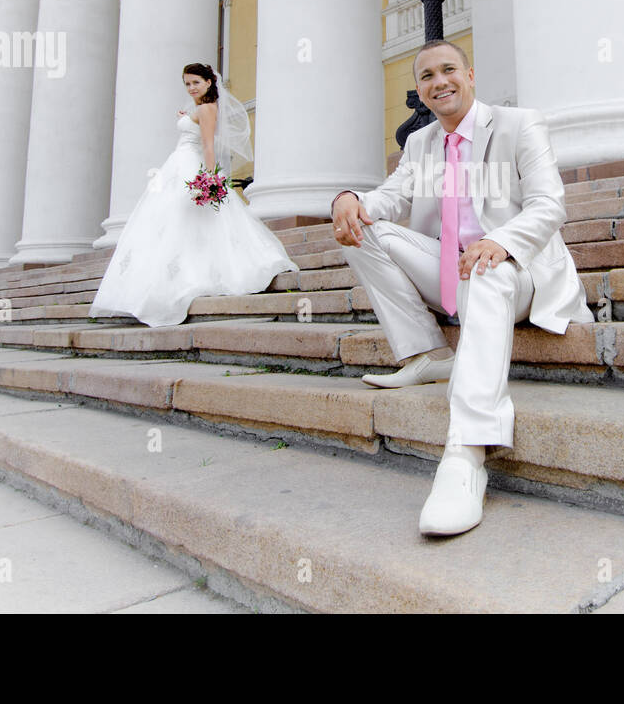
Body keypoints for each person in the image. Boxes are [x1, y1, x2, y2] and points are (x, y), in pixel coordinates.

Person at [332, 40, 593, 537]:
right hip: (455, 268)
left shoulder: (519, 125)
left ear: (470, 75)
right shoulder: (420, 144)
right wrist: (351, 198)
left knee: (486, 270)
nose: (439, 81)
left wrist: (500, 240)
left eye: (449, 70)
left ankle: (467, 453)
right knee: (363, 228)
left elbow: (548, 204)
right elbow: (392, 197)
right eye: (427, 76)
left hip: (517, 272)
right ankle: (427, 354)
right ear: (420, 91)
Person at [90, 63, 296, 327]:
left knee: (186, 219)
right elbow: (195, 129)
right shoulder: (200, 108)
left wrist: (210, 177)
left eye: (196, 82)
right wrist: (187, 117)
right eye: (187, 84)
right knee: (171, 221)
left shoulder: (208, 109)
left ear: (209, 82)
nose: (191, 88)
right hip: (178, 164)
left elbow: (208, 144)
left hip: (191, 165)